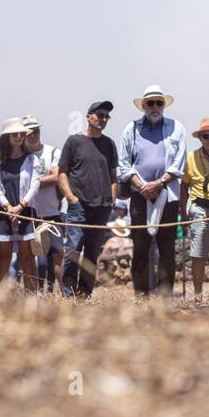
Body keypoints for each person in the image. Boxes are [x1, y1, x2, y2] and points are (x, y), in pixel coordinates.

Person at [117, 85, 187, 297]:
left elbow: (179, 162)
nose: (155, 107)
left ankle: (165, 296)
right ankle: (141, 294)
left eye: (159, 103)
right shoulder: (131, 129)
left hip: (168, 195)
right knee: (140, 246)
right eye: (150, 103)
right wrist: (142, 186)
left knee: (167, 246)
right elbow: (123, 163)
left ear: (164, 105)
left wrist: (159, 183)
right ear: (144, 106)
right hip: (139, 195)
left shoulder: (177, 128)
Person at [58, 102, 119, 298]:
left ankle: (84, 294)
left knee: (92, 254)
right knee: (74, 250)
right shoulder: (74, 141)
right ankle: (68, 293)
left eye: (106, 116)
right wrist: (71, 198)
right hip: (79, 206)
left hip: (101, 208)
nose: (102, 119)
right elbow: (62, 174)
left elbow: (113, 176)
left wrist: (112, 200)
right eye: (99, 115)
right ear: (88, 116)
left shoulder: (109, 144)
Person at [0, 117, 39, 291]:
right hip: (5, 213)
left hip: (25, 211)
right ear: (7, 137)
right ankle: (2, 297)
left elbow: (35, 184)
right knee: (3, 257)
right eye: (14, 134)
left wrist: (20, 206)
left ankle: (31, 297)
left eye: (21, 133)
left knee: (27, 257)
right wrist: (8, 207)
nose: (18, 136)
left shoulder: (32, 159)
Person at [180, 118, 209, 300]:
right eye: (206, 136)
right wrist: (183, 215)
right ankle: (198, 294)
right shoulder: (190, 158)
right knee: (198, 254)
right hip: (199, 207)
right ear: (200, 138)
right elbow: (183, 187)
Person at [23, 117, 64, 293]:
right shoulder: (21, 156)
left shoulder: (53, 152)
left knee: (57, 254)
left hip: (52, 212)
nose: (33, 136)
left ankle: (64, 294)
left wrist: (33, 183)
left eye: (36, 132)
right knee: (38, 258)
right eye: (29, 133)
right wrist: (39, 182)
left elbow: (57, 177)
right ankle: (39, 294)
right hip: (30, 214)